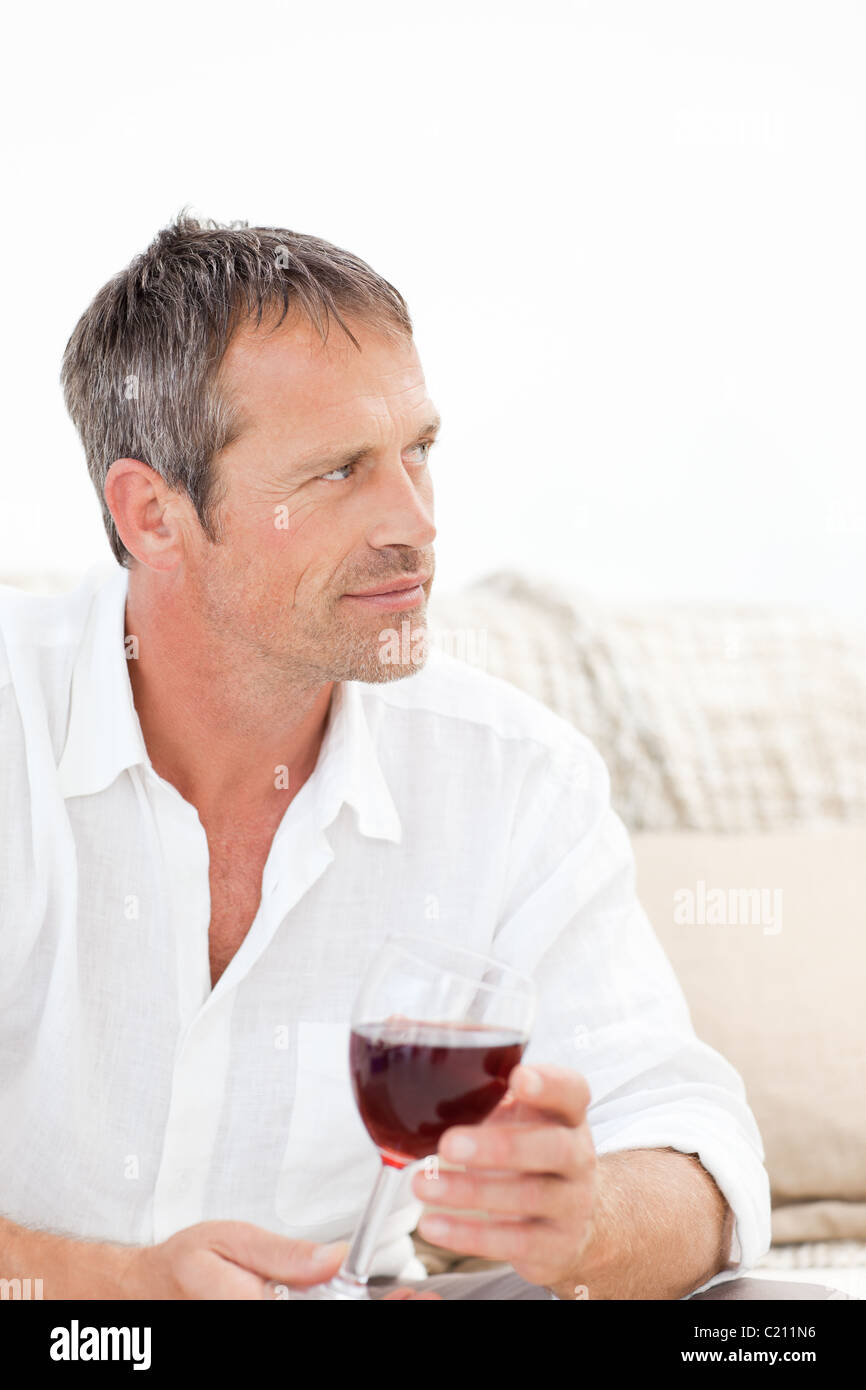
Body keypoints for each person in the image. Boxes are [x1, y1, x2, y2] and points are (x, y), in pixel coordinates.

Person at [0, 212, 775, 1302]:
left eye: (417, 451)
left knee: (778, 1326)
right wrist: (108, 1286)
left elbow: (696, 1156)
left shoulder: (510, 778)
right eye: (335, 473)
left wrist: (584, 1219)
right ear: (151, 514)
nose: (413, 522)